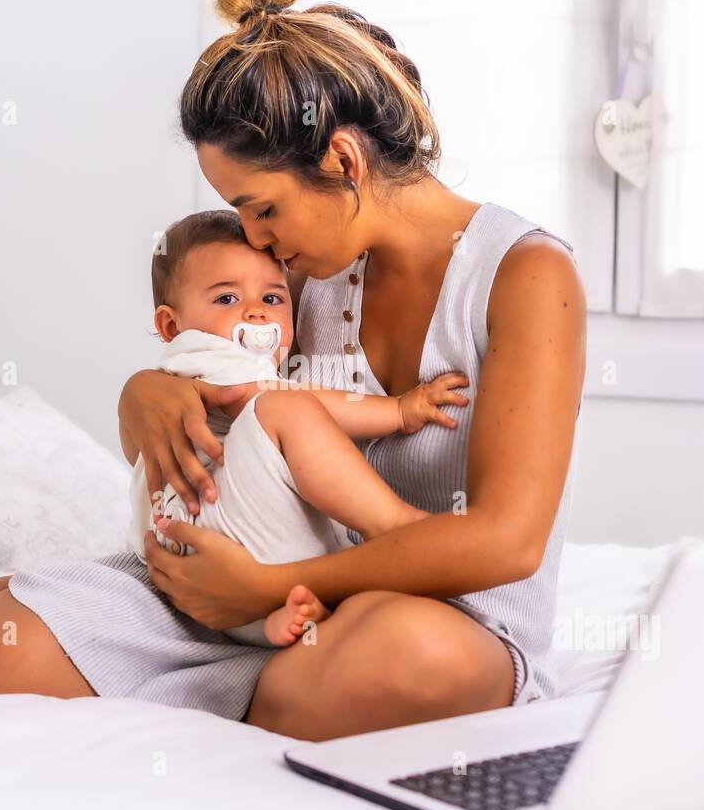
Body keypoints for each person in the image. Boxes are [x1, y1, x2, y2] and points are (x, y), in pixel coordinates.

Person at [0, 0, 586, 743]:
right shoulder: (302, 268)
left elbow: (506, 541)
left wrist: (268, 586)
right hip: (261, 601)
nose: (256, 240)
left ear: (344, 162)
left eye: (263, 208)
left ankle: (234, 687)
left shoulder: (526, 277)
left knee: (403, 654)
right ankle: (266, 687)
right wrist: (147, 392)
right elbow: (221, 393)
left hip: (429, 618)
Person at [125, 209, 469, 649]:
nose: (255, 313)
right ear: (172, 326)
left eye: (272, 299)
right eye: (227, 299)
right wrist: (398, 411)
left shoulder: (216, 367)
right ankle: (399, 528)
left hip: (215, 549)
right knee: (286, 409)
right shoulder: (202, 357)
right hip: (204, 519)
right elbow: (296, 403)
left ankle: (277, 619)